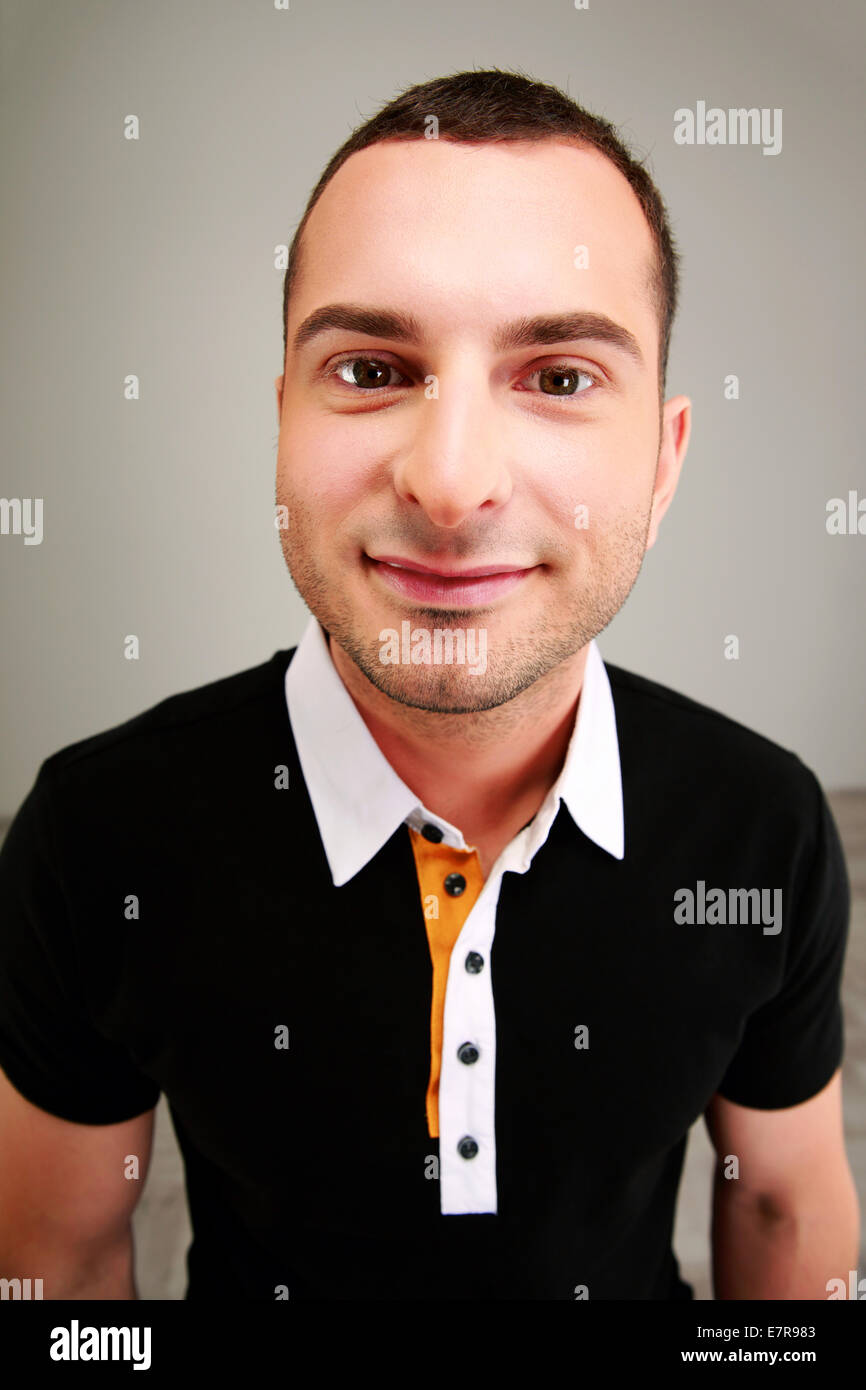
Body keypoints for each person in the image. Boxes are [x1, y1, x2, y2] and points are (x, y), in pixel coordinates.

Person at [0, 69, 858, 1301]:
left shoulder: (762, 830)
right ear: (280, 423)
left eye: (559, 376)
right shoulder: (93, 841)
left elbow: (780, 1208)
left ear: (663, 465)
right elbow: (60, 1261)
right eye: (369, 370)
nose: (450, 485)